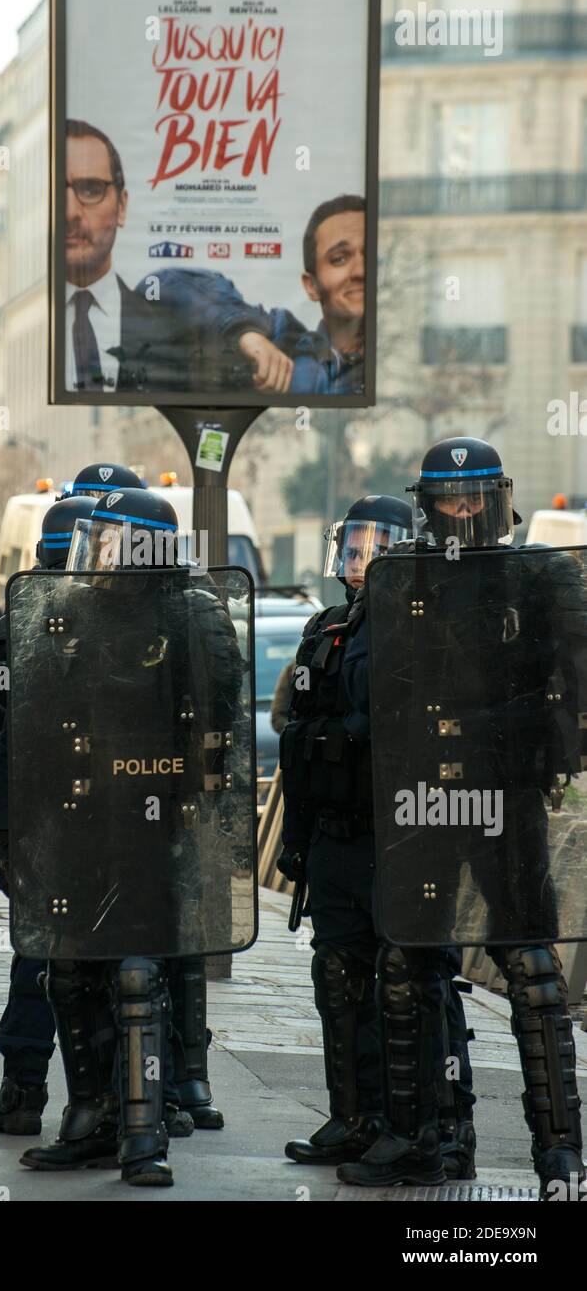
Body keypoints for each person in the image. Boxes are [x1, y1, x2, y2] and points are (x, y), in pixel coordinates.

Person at [339, 439, 586, 1198]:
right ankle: (428, 1140)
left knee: (531, 969)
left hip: (502, 791)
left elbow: (574, 678)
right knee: (406, 963)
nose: (465, 509)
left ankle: (559, 1155)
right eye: (451, 496)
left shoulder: (540, 574)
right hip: (418, 796)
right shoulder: (401, 577)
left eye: (476, 494)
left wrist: (528, 740)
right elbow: (368, 690)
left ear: (497, 497)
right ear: (428, 502)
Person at [16, 488, 248, 1185]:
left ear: (144, 545)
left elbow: (217, 720)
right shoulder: (69, 606)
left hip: (151, 823)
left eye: (112, 539)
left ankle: (142, 1133)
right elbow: (35, 705)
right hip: (77, 815)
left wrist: (181, 795)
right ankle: (89, 1116)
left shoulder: (190, 612)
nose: (98, 553)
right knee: (69, 968)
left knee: (138, 974)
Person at [277, 495, 475, 1173]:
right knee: (338, 971)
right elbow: (296, 736)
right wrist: (296, 838)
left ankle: (429, 1132)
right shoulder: (325, 627)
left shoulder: (425, 624)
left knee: (410, 979)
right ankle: (355, 1116)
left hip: (404, 833)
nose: (359, 559)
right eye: (353, 544)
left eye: (375, 545)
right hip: (337, 834)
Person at [0, 494, 97, 1137]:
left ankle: (26, 1093)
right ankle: (132, 1103)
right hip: (88, 827)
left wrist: (1, 831)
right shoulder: (124, 619)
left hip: (47, 826)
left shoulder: (16, 625)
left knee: (40, 957)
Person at [63, 119, 290, 395]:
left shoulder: (166, 323)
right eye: (55, 191)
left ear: (122, 207)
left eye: (90, 190)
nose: (70, 212)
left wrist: (245, 332)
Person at [148, 195, 366, 397]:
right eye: (339, 258)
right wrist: (244, 332)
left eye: (369, 254)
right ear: (312, 286)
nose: (360, 271)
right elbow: (162, 282)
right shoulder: (288, 345)